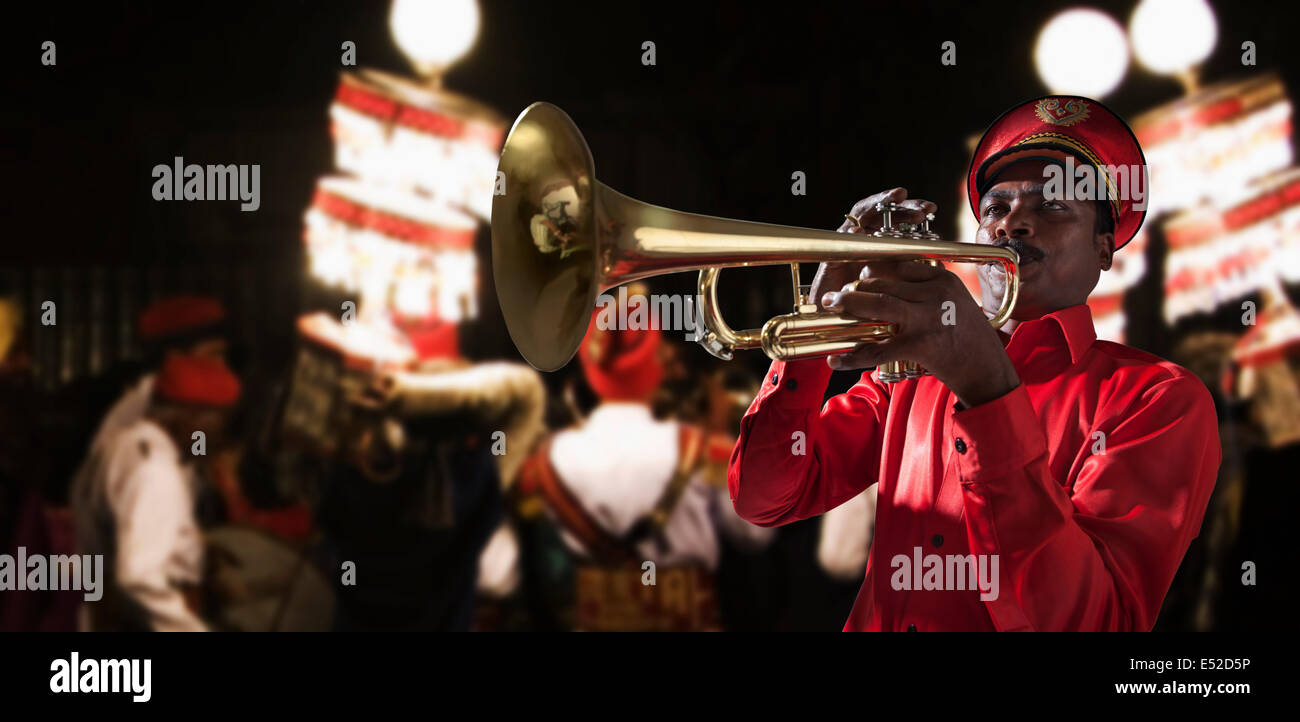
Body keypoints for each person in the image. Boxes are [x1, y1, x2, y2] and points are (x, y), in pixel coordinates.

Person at [728, 95, 1222, 631]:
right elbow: (765, 499)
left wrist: (985, 387)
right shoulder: (911, 374)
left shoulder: (1159, 399)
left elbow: (1090, 621)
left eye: (1051, 205)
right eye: (996, 208)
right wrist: (815, 332)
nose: (1013, 225)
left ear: (1104, 249)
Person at [487, 292, 772, 631]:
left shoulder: (543, 461)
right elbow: (755, 536)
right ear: (657, 363)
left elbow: (500, 574)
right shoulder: (705, 450)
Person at [73, 353, 241, 631]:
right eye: (218, 421)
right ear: (192, 416)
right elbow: (139, 577)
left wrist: (196, 552)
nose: (218, 436)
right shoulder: (156, 472)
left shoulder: (123, 445)